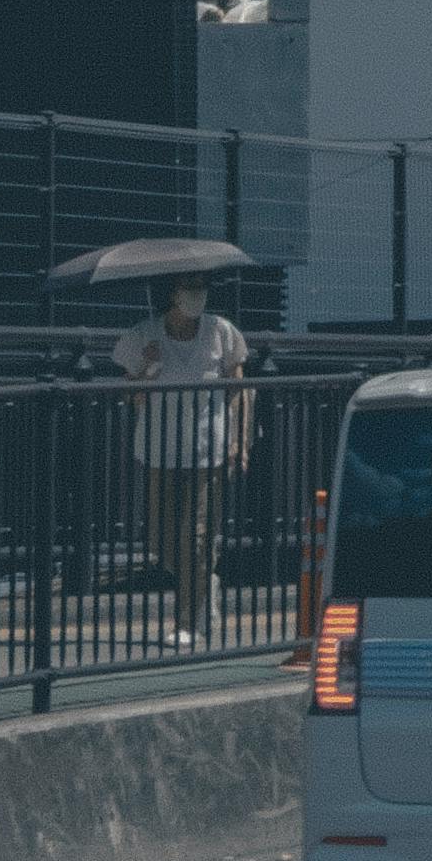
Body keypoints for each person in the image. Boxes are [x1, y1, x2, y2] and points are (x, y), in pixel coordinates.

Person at [111, 268, 251, 643]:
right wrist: (148, 369)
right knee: (161, 540)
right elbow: (131, 397)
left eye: (203, 288)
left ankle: (187, 621)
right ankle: (205, 581)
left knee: (198, 535)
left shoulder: (221, 332)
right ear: (172, 293)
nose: (198, 295)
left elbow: (240, 388)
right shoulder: (144, 335)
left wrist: (240, 439)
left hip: (209, 449)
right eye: (191, 287)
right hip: (160, 449)